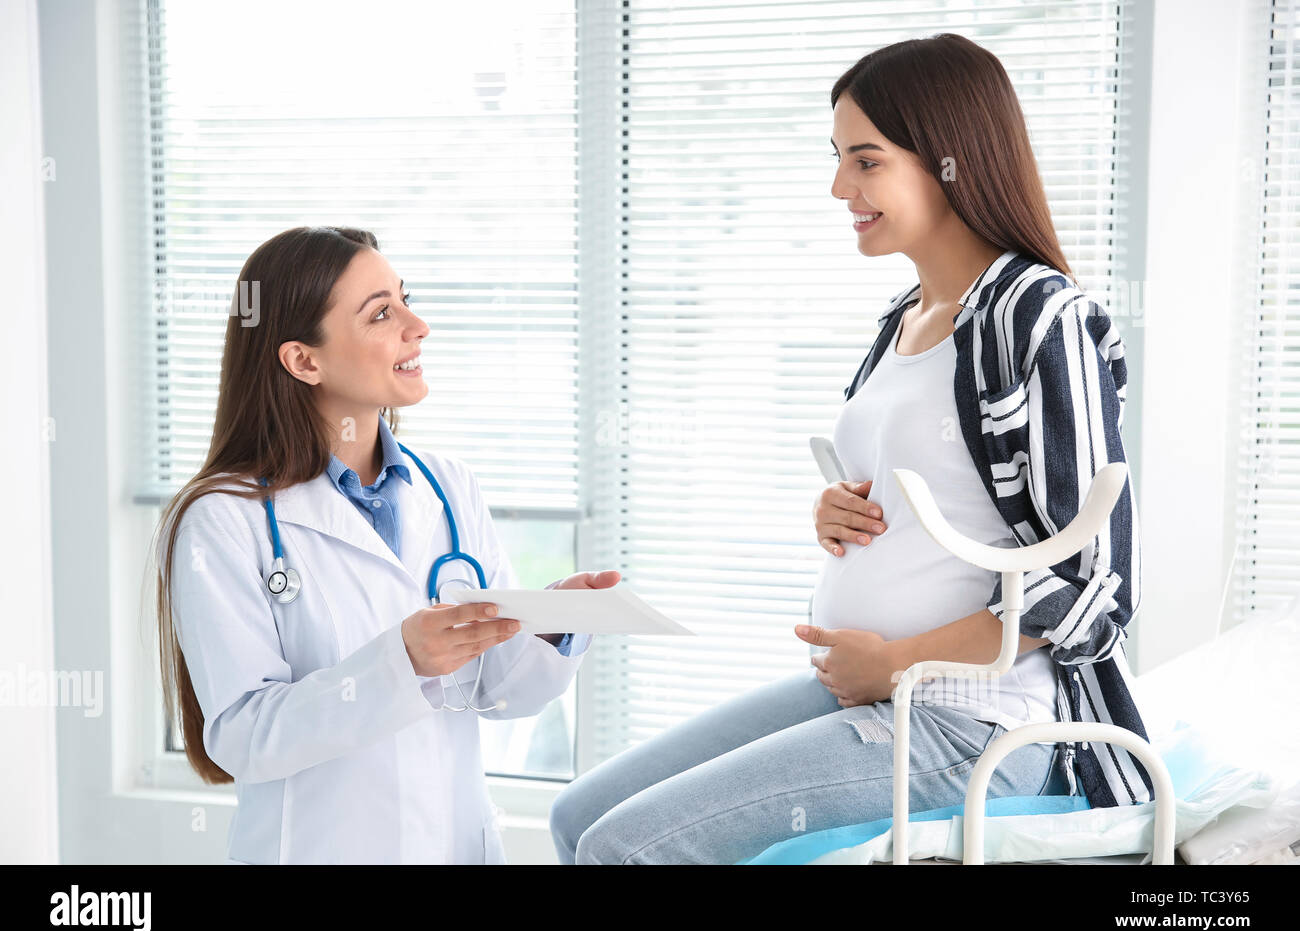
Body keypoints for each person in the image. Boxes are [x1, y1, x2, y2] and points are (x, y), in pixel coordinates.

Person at [549, 33, 1152, 865]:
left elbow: (1097, 587)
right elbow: (943, 492)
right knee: (576, 817)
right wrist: (844, 509)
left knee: (625, 846)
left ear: (949, 158)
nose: (840, 187)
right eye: (838, 159)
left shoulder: (1039, 318)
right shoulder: (904, 318)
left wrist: (899, 660)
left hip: (975, 718)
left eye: (865, 161)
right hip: (870, 693)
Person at [154, 225, 620, 864]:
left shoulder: (449, 487)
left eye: (406, 299)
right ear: (304, 361)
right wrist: (400, 662)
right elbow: (243, 738)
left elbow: (500, 695)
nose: (417, 325)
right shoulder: (224, 520)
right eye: (381, 313)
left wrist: (549, 623)